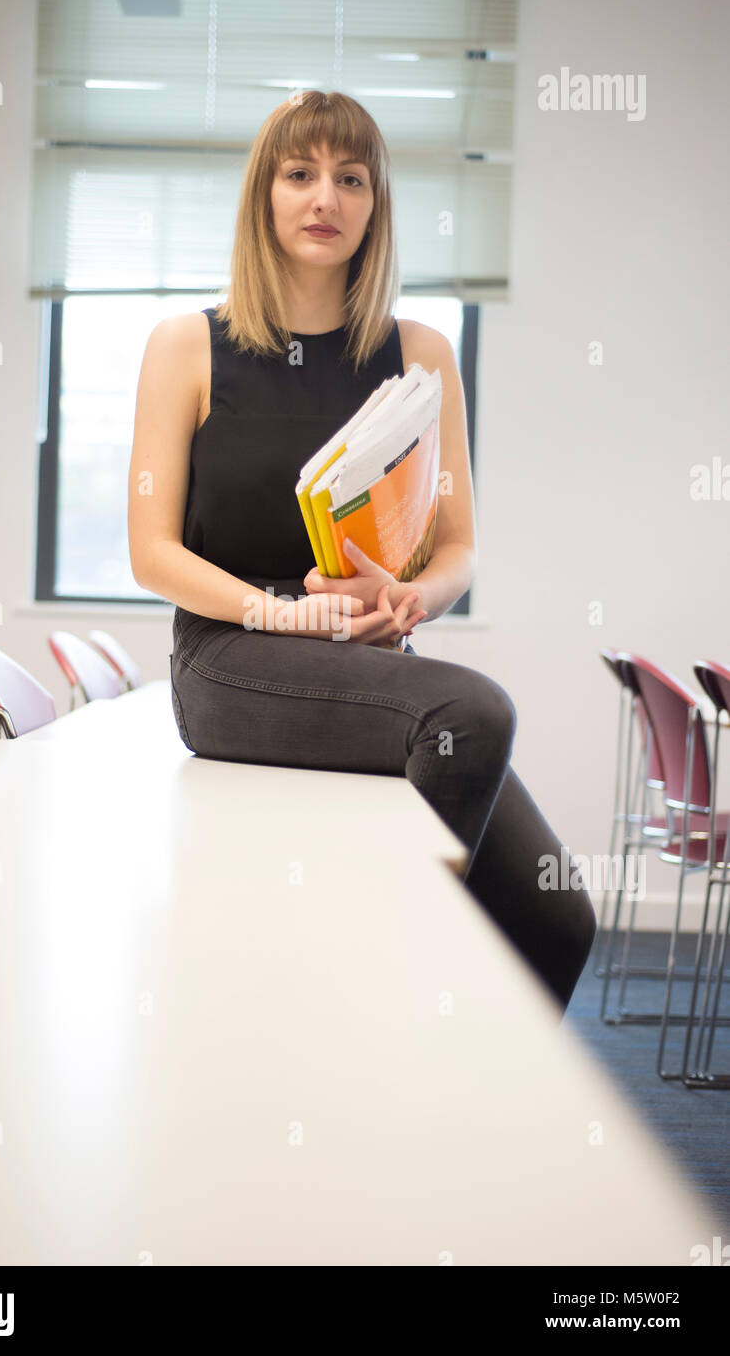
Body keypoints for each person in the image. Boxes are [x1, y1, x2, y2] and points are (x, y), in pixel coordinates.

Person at [129, 90, 595, 1013]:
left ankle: (459, 1085)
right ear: (263, 195)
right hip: (228, 654)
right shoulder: (186, 345)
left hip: (364, 646)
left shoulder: (419, 351)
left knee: (558, 918)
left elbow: (457, 544)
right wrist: (280, 612)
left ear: (376, 203)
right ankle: (387, 1001)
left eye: (350, 178)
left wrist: (414, 599)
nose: (324, 198)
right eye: (299, 175)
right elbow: (152, 553)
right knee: (474, 708)